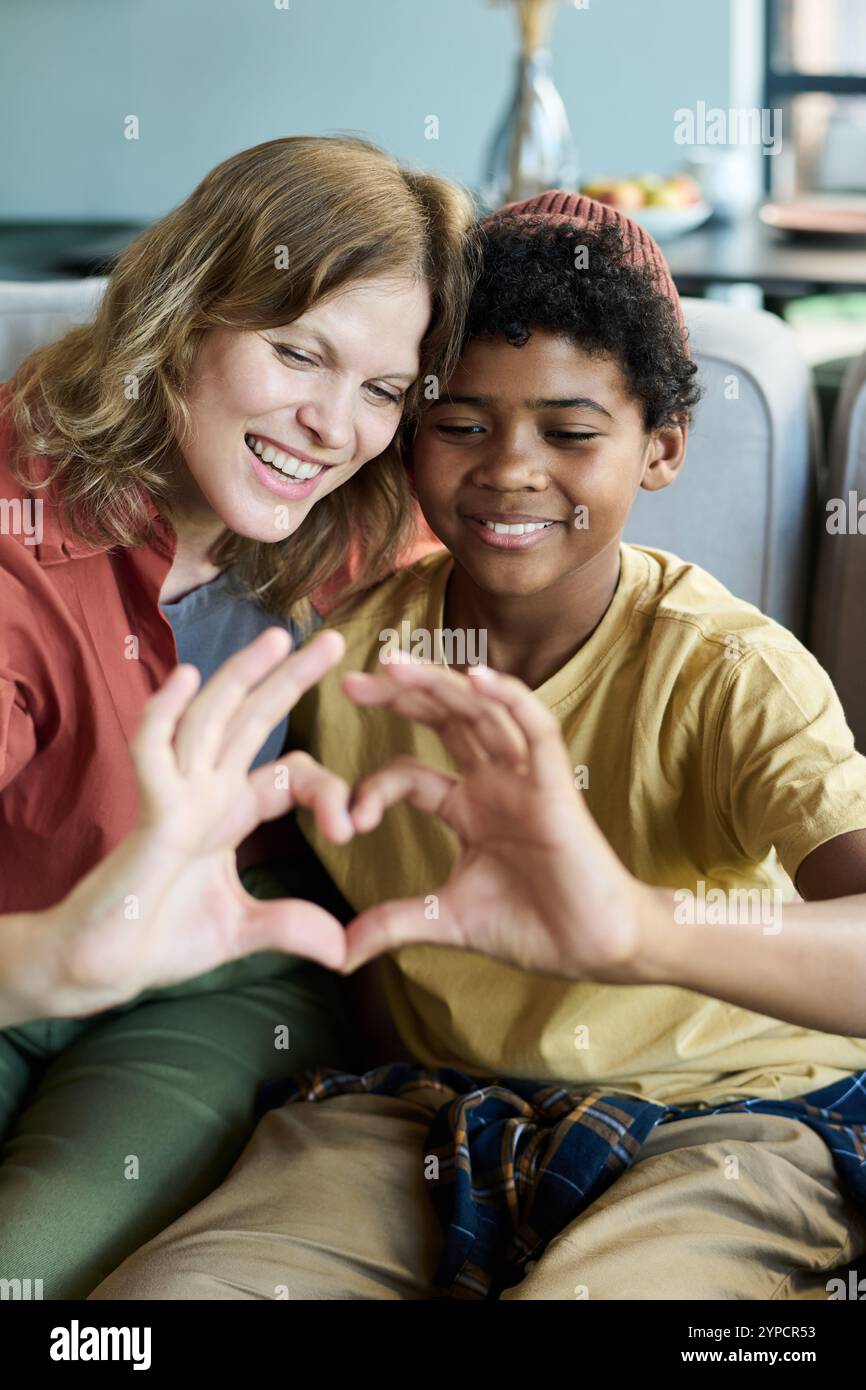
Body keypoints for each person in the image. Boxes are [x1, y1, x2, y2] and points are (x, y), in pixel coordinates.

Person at [90, 193, 866, 1303]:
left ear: (660, 447)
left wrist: (636, 926)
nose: (509, 468)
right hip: (418, 1108)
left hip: (730, 1118)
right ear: (406, 434)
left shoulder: (727, 672)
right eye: (458, 423)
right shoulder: (342, 650)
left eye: (569, 431)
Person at [0, 134, 476, 1296]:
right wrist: (48, 961)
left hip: (224, 969)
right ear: (183, 314)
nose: (331, 425)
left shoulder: (369, 521)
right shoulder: (18, 545)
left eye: (377, 390)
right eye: (297, 353)